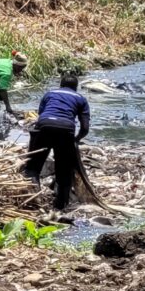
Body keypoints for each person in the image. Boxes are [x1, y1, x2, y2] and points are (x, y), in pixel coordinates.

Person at [23, 70, 90, 212]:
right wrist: (76, 139)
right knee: (64, 170)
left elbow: (41, 115)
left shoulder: (49, 94)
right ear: (76, 87)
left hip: (44, 126)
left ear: (60, 85)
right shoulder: (81, 99)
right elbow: (85, 128)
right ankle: (61, 205)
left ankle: (33, 200)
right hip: (66, 130)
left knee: (33, 167)